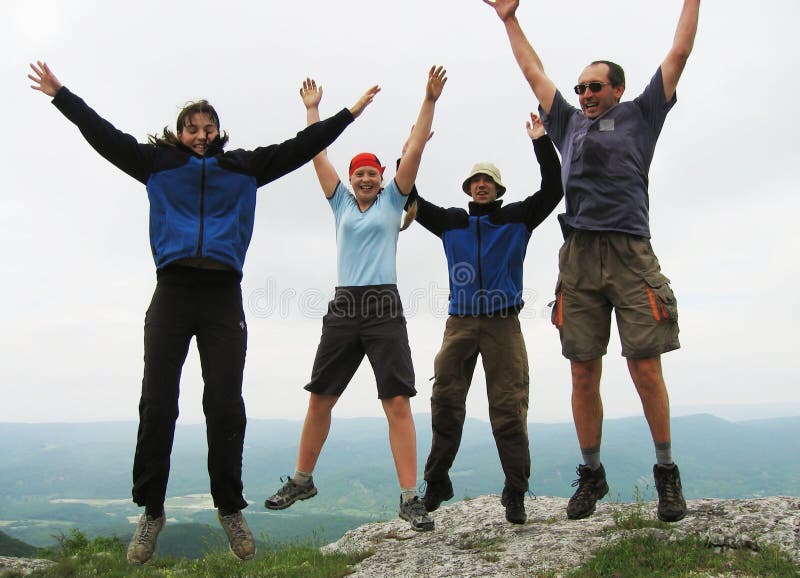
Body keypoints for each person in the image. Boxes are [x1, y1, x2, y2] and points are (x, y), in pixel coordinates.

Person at [28, 60, 377, 564]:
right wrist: (62, 95)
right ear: (179, 133)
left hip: (221, 296)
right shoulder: (157, 165)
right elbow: (103, 135)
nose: (200, 134)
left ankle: (230, 508)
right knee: (158, 403)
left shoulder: (244, 168)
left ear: (219, 131)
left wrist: (348, 113)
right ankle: (151, 510)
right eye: (192, 128)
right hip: (171, 291)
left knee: (225, 405)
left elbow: (299, 149)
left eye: (208, 127)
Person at [484, 0, 700, 523]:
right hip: (578, 256)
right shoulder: (567, 124)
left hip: (629, 252)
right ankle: (592, 474)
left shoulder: (643, 114)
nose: (583, 95)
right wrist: (509, 19)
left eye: (593, 87)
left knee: (645, 366)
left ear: (617, 90)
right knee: (583, 369)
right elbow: (533, 71)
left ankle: (666, 475)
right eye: (579, 88)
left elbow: (679, 51)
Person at [263, 66, 447, 532]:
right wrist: (313, 110)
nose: (365, 179)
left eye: (372, 173)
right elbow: (315, 152)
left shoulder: (392, 200)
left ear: (383, 178)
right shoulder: (340, 203)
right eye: (358, 173)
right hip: (344, 306)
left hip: (384, 305)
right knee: (321, 395)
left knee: (397, 401)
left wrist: (428, 100)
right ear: (351, 178)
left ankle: (410, 497)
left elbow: (418, 147)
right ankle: (302, 479)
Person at [410, 114, 563, 524]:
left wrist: (540, 141)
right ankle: (437, 481)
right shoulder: (450, 223)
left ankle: (515, 491)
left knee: (509, 408)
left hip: (502, 325)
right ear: (468, 188)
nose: (481, 185)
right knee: (444, 402)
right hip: (459, 323)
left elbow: (555, 188)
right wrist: (415, 144)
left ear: (497, 189)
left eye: (488, 181)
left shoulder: (517, 218)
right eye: (475, 181)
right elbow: (409, 195)